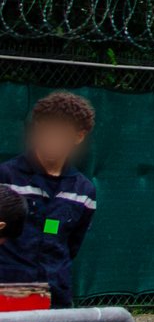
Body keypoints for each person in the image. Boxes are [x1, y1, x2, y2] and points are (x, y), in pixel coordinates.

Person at [0, 94, 98, 308]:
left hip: (55, 298)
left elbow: (73, 245)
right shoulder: (6, 177)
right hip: (7, 295)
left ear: (78, 137)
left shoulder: (84, 191)